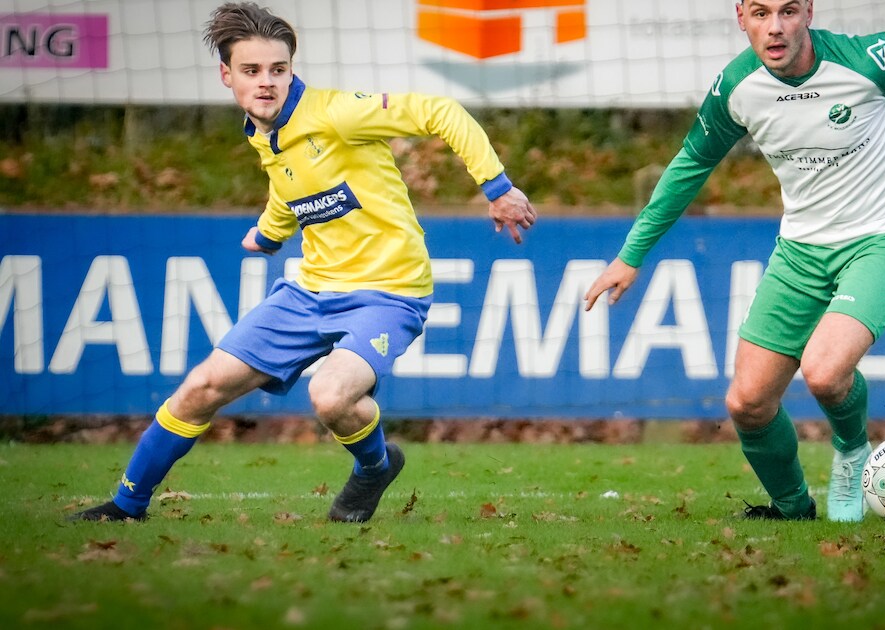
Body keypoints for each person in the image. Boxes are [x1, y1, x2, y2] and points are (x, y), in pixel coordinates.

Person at [69, 2, 537, 523]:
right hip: (311, 291)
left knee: (331, 396)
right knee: (201, 387)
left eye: (278, 69)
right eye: (251, 71)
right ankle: (127, 505)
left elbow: (444, 112)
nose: (267, 82)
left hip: (389, 292)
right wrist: (269, 234)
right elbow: (291, 183)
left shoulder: (339, 112)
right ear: (227, 76)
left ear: (292, 69)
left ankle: (374, 467)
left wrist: (498, 188)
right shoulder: (263, 132)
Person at [585, 0, 885, 522]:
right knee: (747, 404)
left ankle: (851, 450)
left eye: (788, 11)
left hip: (884, 238)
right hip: (801, 249)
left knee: (823, 373)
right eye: (760, 13)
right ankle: (792, 509)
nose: (774, 27)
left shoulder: (872, 60)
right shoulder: (737, 87)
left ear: (808, 14)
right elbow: (691, 164)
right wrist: (630, 255)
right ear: (741, 18)